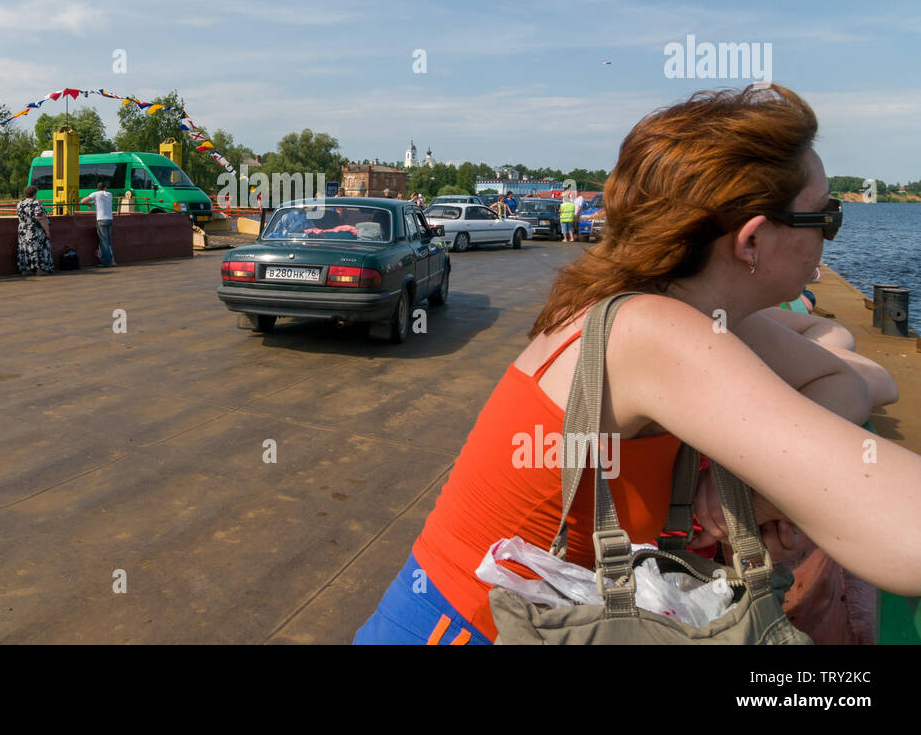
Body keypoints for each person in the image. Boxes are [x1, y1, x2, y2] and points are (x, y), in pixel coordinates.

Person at [355, 84, 921, 645]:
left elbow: (842, 379)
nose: (828, 237)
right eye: (826, 218)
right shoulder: (651, 331)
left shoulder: (682, 309)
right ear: (751, 240)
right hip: (464, 630)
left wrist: (755, 491)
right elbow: (906, 537)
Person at [16, 185, 54, 275]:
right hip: (35, 230)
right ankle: (40, 269)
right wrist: (47, 231)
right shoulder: (36, 203)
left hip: (23, 230)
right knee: (38, 248)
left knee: (24, 248)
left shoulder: (20, 203)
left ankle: (26, 269)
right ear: (34, 193)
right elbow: (40, 217)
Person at [80, 180, 116, 267]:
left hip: (101, 219)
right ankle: (111, 260)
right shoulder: (109, 194)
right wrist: (93, 203)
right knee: (108, 241)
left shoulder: (95, 194)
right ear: (105, 188)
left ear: (97, 189)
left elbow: (82, 201)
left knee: (104, 242)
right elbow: (102, 202)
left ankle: (107, 263)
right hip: (110, 219)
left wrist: (89, 203)